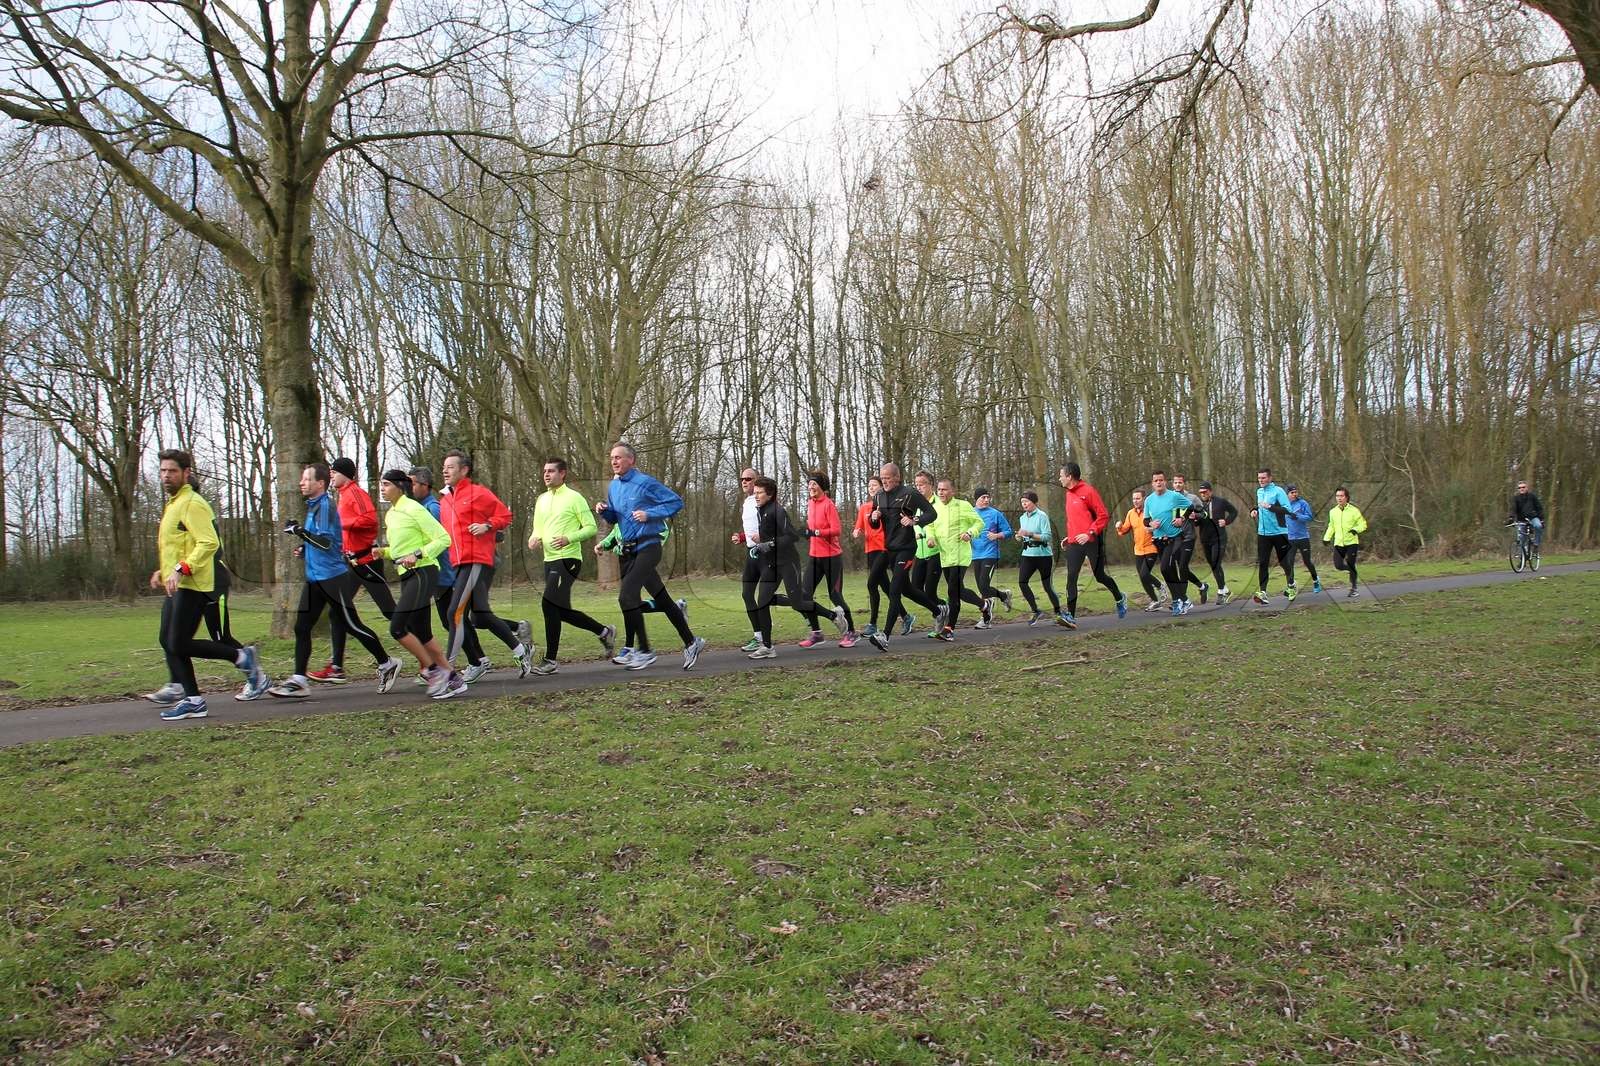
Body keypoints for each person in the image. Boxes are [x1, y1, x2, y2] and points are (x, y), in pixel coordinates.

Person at [146, 449, 270, 720]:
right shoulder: (173, 503)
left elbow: (209, 542)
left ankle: (240, 658)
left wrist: (181, 569)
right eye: (163, 471)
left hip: (198, 582)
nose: (167, 476)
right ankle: (192, 699)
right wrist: (164, 570)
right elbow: (179, 544)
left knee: (178, 642)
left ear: (186, 473)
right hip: (179, 582)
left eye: (173, 471)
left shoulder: (193, 503)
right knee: (168, 641)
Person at [270, 462, 402, 699]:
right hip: (315, 578)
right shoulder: (314, 507)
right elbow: (320, 541)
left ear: (319, 484)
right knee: (301, 627)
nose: (302, 483)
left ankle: (386, 662)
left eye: (306, 479)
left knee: (351, 624)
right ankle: (299, 679)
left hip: (333, 578)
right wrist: (304, 547)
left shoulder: (326, 507)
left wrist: (301, 532)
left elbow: (328, 543)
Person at [596, 442, 706, 670]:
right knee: (662, 599)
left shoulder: (645, 483)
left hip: (649, 546)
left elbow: (676, 502)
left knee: (627, 596)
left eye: (619, 457)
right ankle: (692, 642)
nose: (614, 461)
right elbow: (616, 519)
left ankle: (644, 650)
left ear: (631, 460)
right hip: (629, 550)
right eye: (612, 458)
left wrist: (650, 513)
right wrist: (605, 511)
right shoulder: (614, 487)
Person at [372, 469, 467, 699]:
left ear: (400, 486)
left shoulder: (414, 508)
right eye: (381, 485)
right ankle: (453, 678)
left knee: (397, 627)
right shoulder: (392, 514)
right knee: (422, 632)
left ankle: (434, 672)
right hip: (407, 574)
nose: (382, 489)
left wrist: (418, 553)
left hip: (423, 572)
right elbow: (399, 549)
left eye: (386, 484)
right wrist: (383, 552)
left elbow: (443, 538)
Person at [440, 450, 536, 676]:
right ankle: (521, 650)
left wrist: (488, 526)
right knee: (480, 615)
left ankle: (447, 672)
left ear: (464, 470)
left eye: (451, 467)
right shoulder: (444, 500)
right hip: (458, 562)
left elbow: (505, 516)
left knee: (454, 613)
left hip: (476, 559)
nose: (445, 471)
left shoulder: (477, 493)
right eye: (444, 467)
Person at [527, 457, 613, 674]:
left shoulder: (574, 498)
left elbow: (591, 528)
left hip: (568, 559)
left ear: (562, 473)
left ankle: (550, 660)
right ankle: (603, 632)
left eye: (551, 471)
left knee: (548, 605)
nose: (546, 474)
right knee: (561, 611)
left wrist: (569, 538)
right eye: (545, 471)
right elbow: (538, 528)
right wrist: (533, 538)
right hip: (549, 559)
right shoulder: (541, 500)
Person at [317, 457, 397, 683]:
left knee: (390, 612)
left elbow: (369, 521)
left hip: (368, 562)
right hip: (352, 564)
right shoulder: (342, 496)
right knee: (336, 612)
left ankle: (428, 658)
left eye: (334, 472)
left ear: (345, 473)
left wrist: (340, 522)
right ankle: (337, 667)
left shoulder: (356, 494)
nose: (331, 475)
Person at [409, 466, 490, 684]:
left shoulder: (433, 508)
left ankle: (450, 666)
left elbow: (444, 541)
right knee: (452, 621)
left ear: (425, 485)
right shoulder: (420, 508)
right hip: (433, 573)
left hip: (443, 573)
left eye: (413, 483)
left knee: (453, 619)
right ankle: (477, 660)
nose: (410, 488)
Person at [741, 476, 829, 658]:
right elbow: (769, 536)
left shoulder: (778, 511)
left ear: (770, 494)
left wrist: (770, 543)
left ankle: (834, 616)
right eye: (755, 492)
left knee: (797, 603)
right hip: (771, 563)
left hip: (788, 563)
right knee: (762, 601)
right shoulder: (761, 510)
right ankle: (767, 647)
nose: (755, 496)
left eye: (759, 493)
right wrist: (760, 545)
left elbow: (792, 537)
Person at [865, 462, 938, 652]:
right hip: (889, 548)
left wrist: (915, 520)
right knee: (886, 584)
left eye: (888, 478)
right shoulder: (879, 496)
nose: (884, 481)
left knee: (896, 589)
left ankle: (885, 636)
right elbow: (875, 525)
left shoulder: (910, 494)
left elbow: (932, 513)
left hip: (906, 548)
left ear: (897, 478)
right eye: (882, 478)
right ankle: (939, 611)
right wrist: (873, 518)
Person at [1057, 463, 1128, 627]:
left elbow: (1103, 516)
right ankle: (1071, 617)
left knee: (1099, 575)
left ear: (1069, 477)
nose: (1059, 478)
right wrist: (1070, 536)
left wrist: (1088, 533)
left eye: (1061, 475)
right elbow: (1076, 519)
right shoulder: (1068, 494)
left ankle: (1119, 597)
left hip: (1092, 540)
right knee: (1071, 577)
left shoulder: (1088, 491)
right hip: (1075, 542)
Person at [798, 471, 857, 649]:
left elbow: (836, 530)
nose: (811, 487)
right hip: (815, 556)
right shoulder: (810, 504)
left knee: (835, 595)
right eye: (809, 484)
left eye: (814, 484)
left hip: (832, 557)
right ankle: (817, 634)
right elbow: (812, 528)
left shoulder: (828, 504)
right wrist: (807, 533)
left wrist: (815, 532)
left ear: (822, 486)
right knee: (804, 595)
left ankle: (851, 633)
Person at [930, 477, 984, 640]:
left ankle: (949, 629)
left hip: (961, 555)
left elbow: (979, 523)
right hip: (945, 556)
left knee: (952, 591)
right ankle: (984, 604)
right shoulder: (935, 508)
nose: (941, 492)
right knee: (959, 590)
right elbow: (930, 526)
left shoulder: (963, 506)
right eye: (939, 489)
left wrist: (970, 533)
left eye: (945, 489)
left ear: (952, 491)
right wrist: (930, 538)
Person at [1143, 470, 1193, 615]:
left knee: (1165, 568)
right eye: (1156, 481)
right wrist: (1152, 523)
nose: (1159, 483)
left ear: (1165, 482)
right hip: (1159, 540)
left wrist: (1181, 518)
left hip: (1175, 538)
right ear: (1152, 484)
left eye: (1161, 480)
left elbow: (1190, 507)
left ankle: (1177, 600)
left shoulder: (1174, 496)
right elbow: (1146, 520)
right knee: (1169, 570)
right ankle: (1183, 599)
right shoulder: (1149, 500)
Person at [731, 467, 768, 653]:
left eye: (748, 478)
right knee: (747, 595)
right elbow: (752, 529)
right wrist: (742, 537)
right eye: (742, 479)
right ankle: (758, 636)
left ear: (756, 480)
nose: (744, 481)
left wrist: (764, 538)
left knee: (766, 598)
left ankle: (811, 612)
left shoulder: (763, 500)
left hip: (765, 553)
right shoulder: (746, 502)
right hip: (751, 553)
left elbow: (771, 526)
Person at [1014, 490, 1064, 624]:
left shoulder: (1042, 516)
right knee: (1022, 583)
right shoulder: (1022, 518)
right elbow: (1022, 536)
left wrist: (1030, 534)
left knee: (1047, 586)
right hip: (1027, 555)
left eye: (1026, 502)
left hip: (1043, 556)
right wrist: (1019, 536)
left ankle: (1059, 613)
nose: (1024, 504)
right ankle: (1036, 611)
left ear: (1034, 502)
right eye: (1022, 502)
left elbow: (1047, 537)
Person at [1249, 467, 1296, 604]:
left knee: (1283, 562)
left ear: (1270, 478)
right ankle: (1263, 592)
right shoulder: (1259, 491)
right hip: (1263, 533)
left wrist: (1270, 507)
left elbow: (1288, 510)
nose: (1261, 481)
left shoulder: (1278, 491)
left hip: (1279, 532)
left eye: (1263, 478)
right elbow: (1260, 506)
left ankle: (1292, 585)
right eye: (1259, 478)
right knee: (1263, 563)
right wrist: (1254, 510)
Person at [852, 475, 892, 637]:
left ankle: (873, 624)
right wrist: (856, 531)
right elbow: (859, 527)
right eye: (869, 486)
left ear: (881, 487)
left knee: (871, 585)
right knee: (885, 586)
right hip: (870, 550)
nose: (871, 488)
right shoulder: (864, 507)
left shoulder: (886, 505)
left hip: (884, 549)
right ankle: (906, 616)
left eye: (874, 485)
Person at [970, 488, 1014, 628]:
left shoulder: (995, 514)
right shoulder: (970, 513)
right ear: (976, 499)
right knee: (982, 588)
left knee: (983, 586)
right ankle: (1004, 596)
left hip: (990, 554)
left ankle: (986, 619)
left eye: (988, 497)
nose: (987, 500)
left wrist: (996, 536)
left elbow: (1008, 532)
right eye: (983, 497)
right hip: (976, 555)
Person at [910, 470, 948, 633]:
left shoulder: (938, 505)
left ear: (931, 485)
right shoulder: (914, 505)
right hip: (920, 553)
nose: (919, 488)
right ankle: (942, 608)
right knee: (915, 589)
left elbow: (943, 527)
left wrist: (928, 535)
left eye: (922, 484)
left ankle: (940, 615)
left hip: (936, 552)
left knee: (930, 592)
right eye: (916, 485)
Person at [1116, 489, 1166, 611]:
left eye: (1138, 498)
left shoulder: (1151, 511)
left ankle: (1160, 586)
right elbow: (1124, 530)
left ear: (1144, 499)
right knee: (1142, 577)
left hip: (1151, 547)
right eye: (1134, 499)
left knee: (1145, 574)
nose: (1135, 501)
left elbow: (1160, 526)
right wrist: (1119, 527)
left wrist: (1154, 527)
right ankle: (1155, 601)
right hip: (1138, 550)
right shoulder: (1130, 513)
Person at [1190, 481, 1237, 605]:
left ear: (1210, 491)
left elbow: (1234, 512)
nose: (1203, 494)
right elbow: (1197, 523)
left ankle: (1221, 591)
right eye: (1201, 493)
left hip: (1219, 538)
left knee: (1216, 563)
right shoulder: (1198, 505)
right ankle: (1225, 590)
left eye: (1205, 492)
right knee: (1214, 566)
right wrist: (1194, 518)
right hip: (1205, 539)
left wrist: (1226, 521)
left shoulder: (1220, 502)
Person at [1170, 474, 1212, 604]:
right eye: (1175, 482)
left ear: (1184, 484)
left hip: (1188, 537)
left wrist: (1196, 515)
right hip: (1174, 538)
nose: (1178, 484)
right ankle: (1202, 586)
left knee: (1182, 567)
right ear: (1173, 484)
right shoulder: (1169, 498)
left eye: (1180, 482)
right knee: (1181, 568)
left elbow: (1205, 514)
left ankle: (1183, 599)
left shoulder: (1192, 498)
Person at [1324, 487, 1368, 597]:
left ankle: (1354, 588)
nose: (1339, 498)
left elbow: (1363, 524)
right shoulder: (1333, 512)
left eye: (1341, 496)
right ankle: (1352, 570)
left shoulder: (1354, 511)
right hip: (1339, 543)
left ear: (1346, 497)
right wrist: (1326, 538)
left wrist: (1355, 530)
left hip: (1351, 543)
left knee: (1351, 562)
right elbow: (1331, 526)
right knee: (1338, 565)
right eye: (1337, 496)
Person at [1285, 484, 1321, 593]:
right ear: (1287, 494)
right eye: (1292, 492)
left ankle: (1315, 580)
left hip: (1303, 538)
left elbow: (1310, 517)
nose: (1295, 494)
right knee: (1289, 562)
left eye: (1296, 492)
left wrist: (1298, 517)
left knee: (1307, 561)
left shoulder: (1303, 503)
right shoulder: (1284, 505)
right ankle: (1291, 586)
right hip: (1290, 539)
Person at [1510, 481, 1546, 548]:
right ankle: (1522, 556)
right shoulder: (1516, 498)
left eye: (1523, 487)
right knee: (1521, 538)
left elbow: (1539, 507)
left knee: (1538, 526)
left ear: (1527, 488)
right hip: (1521, 520)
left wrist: (1541, 519)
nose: (1521, 489)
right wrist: (1511, 518)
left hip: (1533, 517)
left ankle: (1536, 543)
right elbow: (1513, 508)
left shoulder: (1532, 496)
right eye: (1519, 488)